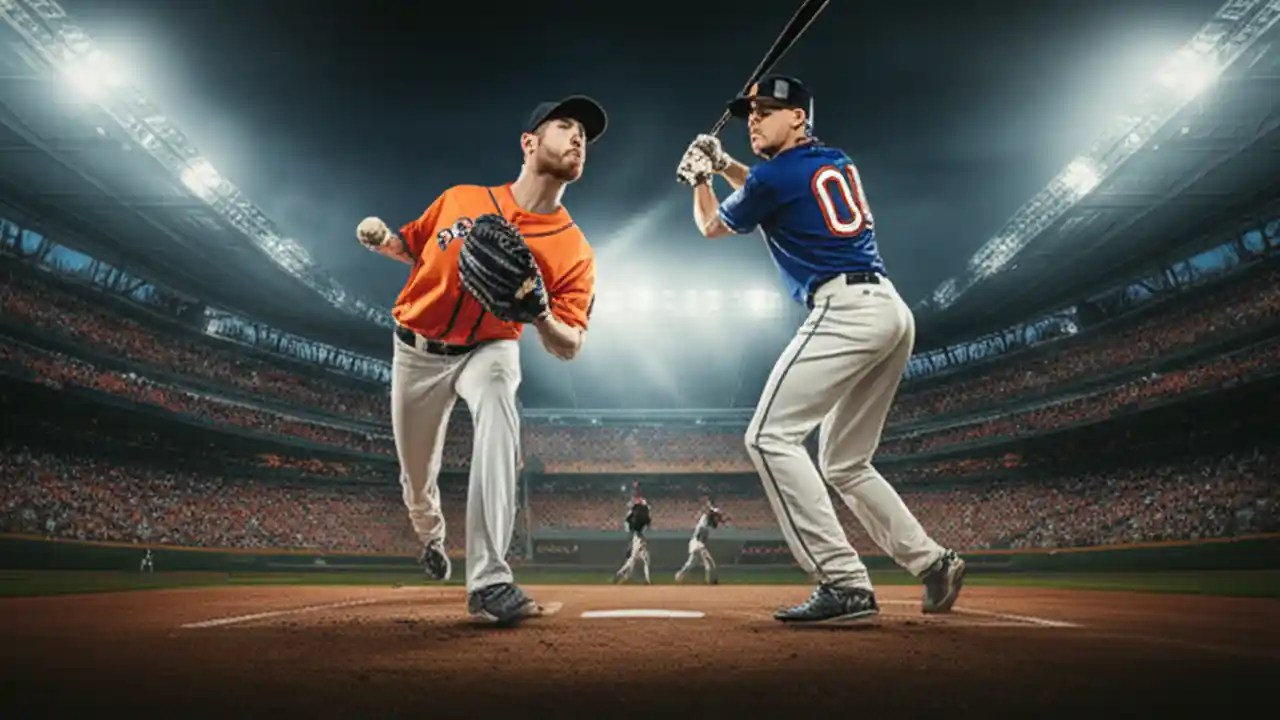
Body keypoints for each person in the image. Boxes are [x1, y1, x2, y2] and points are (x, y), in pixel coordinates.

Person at [675, 75, 965, 623]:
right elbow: (767, 187)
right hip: (890, 311)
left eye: (767, 110)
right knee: (844, 462)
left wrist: (697, 179)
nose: (754, 118)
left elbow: (714, 225)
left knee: (766, 436)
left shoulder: (774, 176)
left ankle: (842, 580)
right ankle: (932, 562)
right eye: (751, 113)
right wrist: (725, 166)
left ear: (799, 119)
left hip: (845, 310)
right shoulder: (828, 159)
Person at [357, 95, 606, 624]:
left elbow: (569, 344)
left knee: (499, 403)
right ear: (529, 142)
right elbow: (414, 246)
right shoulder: (460, 199)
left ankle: (490, 579)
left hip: (491, 347)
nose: (578, 137)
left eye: (585, 133)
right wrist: (384, 241)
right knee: (416, 477)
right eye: (565, 125)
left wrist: (539, 313)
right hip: (416, 351)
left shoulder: (574, 249)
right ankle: (431, 536)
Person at [675, 498, 726, 585]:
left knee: (691, 563)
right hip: (698, 543)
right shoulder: (705, 519)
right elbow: (710, 515)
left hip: (695, 544)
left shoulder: (708, 522)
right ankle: (711, 581)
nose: (717, 518)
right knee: (709, 562)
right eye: (716, 517)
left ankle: (679, 577)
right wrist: (713, 511)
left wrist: (721, 518)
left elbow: (715, 522)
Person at [613, 483, 652, 585]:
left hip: (638, 537)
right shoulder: (638, 508)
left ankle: (646, 580)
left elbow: (638, 515)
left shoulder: (638, 508)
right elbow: (639, 515)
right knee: (633, 562)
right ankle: (620, 575)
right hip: (638, 538)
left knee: (640, 561)